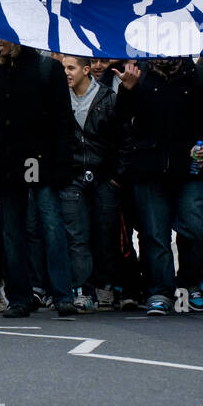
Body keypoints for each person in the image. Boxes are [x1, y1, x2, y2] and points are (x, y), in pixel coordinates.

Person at [111, 55, 203, 315]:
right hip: (149, 167)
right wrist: (128, 89)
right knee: (155, 234)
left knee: (194, 228)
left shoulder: (197, 75)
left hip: (188, 167)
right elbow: (121, 119)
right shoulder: (139, 73)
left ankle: (190, 283)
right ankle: (161, 290)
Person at [0, 39, 76, 317]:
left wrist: (62, 166)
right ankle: (20, 297)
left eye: (3, 36)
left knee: (51, 227)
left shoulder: (47, 68)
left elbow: (63, 121)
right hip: (8, 167)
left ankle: (62, 295)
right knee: (12, 234)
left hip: (42, 162)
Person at [59, 53, 119, 312]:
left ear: (86, 69)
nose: (67, 73)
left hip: (104, 175)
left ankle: (105, 286)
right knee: (77, 234)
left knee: (106, 232)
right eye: (63, 68)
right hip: (72, 175)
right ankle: (82, 289)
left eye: (71, 68)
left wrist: (117, 176)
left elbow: (121, 138)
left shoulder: (108, 98)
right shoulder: (59, 98)